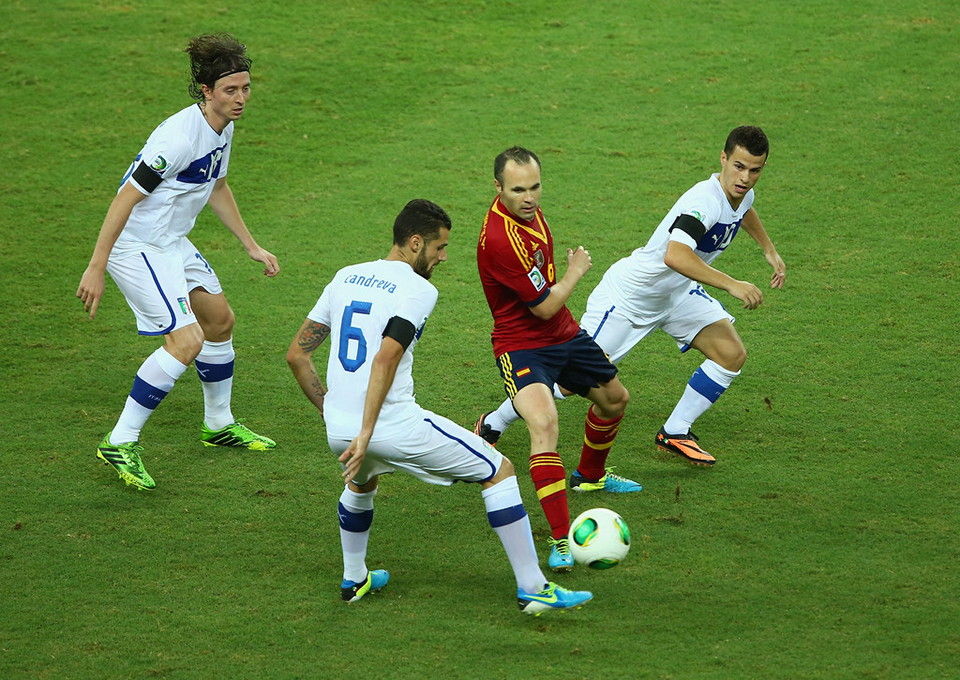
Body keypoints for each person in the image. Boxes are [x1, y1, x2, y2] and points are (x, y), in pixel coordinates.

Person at [285, 199, 592, 615]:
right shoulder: (417, 289)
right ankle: (533, 587)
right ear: (415, 243)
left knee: (361, 482)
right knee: (498, 471)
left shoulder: (345, 276)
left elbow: (297, 355)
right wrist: (367, 430)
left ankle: (354, 578)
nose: (444, 257)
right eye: (440, 247)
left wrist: (333, 414)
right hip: (387, 426)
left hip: (338, 429)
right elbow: (386, 357)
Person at [475, 126, 786, 466]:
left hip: (677, 294)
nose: (744, 178)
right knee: (569, 381)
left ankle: (675, 431)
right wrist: (731, 283)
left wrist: (768, 249)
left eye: (754, 170)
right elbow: (676, 255)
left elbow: (743, 211)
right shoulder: (704, 202)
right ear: (723, 159)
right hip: (630, 298)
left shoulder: (741, 193)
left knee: (731, 353)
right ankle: (493, 423)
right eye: (738, 167)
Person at [76, 34, 278, 491]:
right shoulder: (176, 139)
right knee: (186, 340)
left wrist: (251, 245)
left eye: (246, 88)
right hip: (138, 246)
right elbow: (124, 199)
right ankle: (120, 440)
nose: (241, 98)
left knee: (219, 320)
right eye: (231, 90)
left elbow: (218, 187)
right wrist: (96, 265)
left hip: (172, 241)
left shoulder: (224, 125)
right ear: (206, 91)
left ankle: (218, 424)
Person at [474, 147, 642, 574]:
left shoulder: (529, 214)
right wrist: (576, 271)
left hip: (564, 334)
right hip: (521, 344)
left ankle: (590, 475)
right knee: (545, 425)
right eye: (517, 190)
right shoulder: (500, 239)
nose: (529, 197)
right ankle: (562, 540)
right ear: (497, 188)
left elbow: (550, 306)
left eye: (534, 187)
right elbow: (543, 307)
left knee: (615, 400)